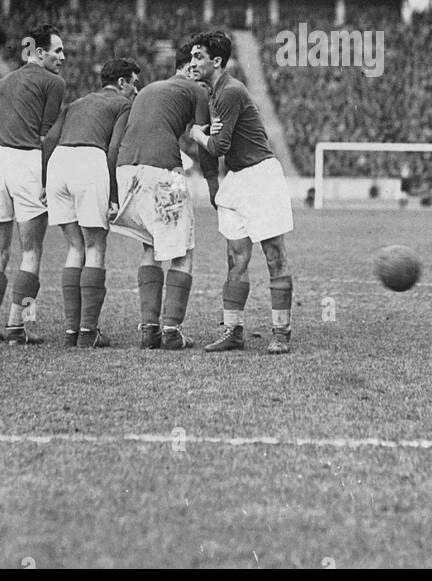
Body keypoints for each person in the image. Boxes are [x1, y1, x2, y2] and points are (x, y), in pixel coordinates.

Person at [191, 31, 297, 356]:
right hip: (237, 178)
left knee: (274, 254)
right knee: (236, 257)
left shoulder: (231, 92)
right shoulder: (214, 93)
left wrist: (195, 133)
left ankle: (281, 333)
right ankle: (233, 330)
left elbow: (219, 146)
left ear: (217, 61)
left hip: (260, 175)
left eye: (199, 57)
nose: (193, 62)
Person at [110, 41, 214, 350]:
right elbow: (200, 139)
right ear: (190, 68)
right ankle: (171, 329)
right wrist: (212, 182)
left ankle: (149, 328)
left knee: (150, 246)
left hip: (127, 169)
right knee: (182, 252)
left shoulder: (148, 90)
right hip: (162, 172)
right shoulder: (197, 90)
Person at [0, 24, 66, 345]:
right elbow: (46, 135)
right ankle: (16, 325)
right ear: (40, 53)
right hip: (26, 161)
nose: (62, 57)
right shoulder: (54, 83)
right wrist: (46, 176)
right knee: (31, 251)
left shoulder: (0, 83)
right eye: (58, 51)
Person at [44, 57, 139, 348]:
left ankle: (72, 331)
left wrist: (43, 182)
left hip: (58, 162)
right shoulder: (122, 104)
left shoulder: (77, 102)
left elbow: (48, 140)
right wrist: (113, 194)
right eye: (134, 84)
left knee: (75, 247)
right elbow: (113, 148)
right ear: (122, 83)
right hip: (90, 159)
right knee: (95, 246)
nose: (136, 91)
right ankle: (88, 332)